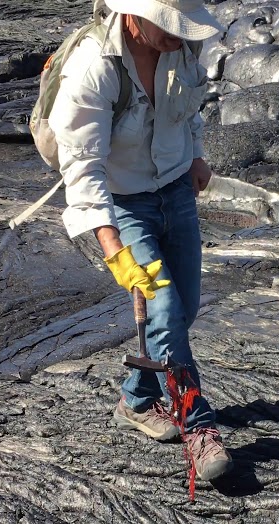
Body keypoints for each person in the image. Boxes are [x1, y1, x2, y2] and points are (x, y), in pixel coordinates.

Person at [50, 0, 231, 482]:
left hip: (176, 189)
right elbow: (82, 166)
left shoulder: (180, 50)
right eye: (171, 26)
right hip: (126, 204)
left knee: (184, 309)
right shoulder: (93, 67)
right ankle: (198, 423)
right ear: (134, 15)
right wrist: (114, 251)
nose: (182, 37)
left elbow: (188, 110)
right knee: (166, 310)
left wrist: (195, 155)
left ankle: (135, 398)